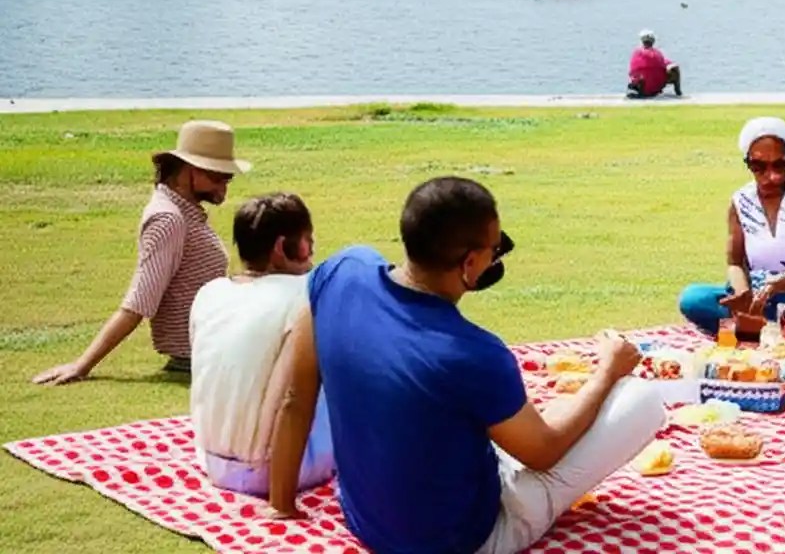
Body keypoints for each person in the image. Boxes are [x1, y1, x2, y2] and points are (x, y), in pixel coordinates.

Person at [265, 177, 665, 554]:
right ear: (471, 263)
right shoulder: (471, 352)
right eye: (497, 248)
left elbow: (295, 398)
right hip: (465, 539)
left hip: (368, 522)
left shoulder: (341, 272)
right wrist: (608, 371)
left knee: (505, 417)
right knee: (642, 400)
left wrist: (281, 506)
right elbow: (542, 454)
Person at [32, 120, 249, 384]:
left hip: (212, 343)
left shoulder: (183, 212)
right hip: (200, 352)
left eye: (228, 178)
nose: (223, 187)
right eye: (217, 177)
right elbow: (138, 303)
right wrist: (82, 365)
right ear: (188, 171)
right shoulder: (169, 219)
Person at [189, 193, 335, 497]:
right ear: (282, 248)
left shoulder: (209, 293)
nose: (313, 251)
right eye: (308, 240)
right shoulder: (307, 293)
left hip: (211, 461)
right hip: (283, 470)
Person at [678, 117, 785, 339]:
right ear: (748, 163)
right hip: (758, 293)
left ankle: (756, 329)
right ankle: (778, 326)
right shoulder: (740, 200)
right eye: (759, 167)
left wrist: (782, 284)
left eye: (779, 165)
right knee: (693, 299)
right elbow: (735, 262)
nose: (771, 176)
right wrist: (743, 294)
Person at [626, 29, 683, 99]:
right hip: (657, 87)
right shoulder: (657, 54)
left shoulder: (636, 53)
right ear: (653, 41)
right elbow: (672, 66)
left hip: (641, 88)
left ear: (641, 41)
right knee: (674, 68)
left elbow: (632, 72)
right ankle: (678, 91)